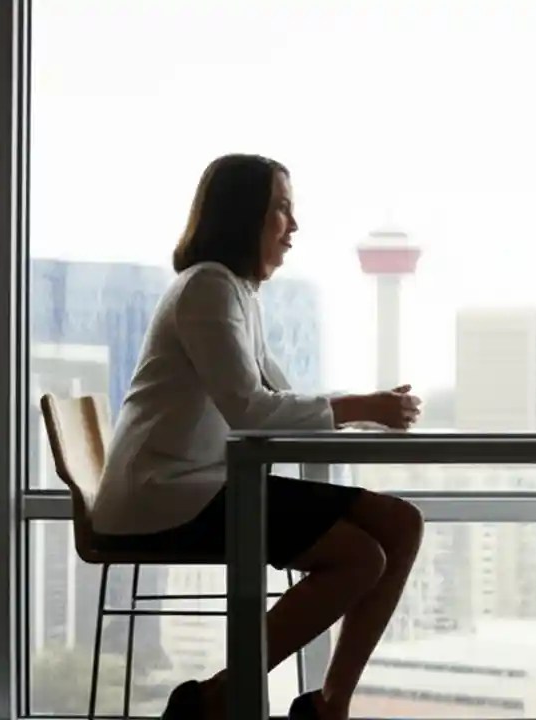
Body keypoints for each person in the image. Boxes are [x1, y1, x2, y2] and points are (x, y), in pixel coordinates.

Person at [92, 153, 425, 720]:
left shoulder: (240, 293)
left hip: (205, 484)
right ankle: (224, 697)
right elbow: (250, 411)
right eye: (281, 210)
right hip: (167, 493)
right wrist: (355, 407)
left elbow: (278, 392)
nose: (292, 227)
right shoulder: (207, 290)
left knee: (401, 524)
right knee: (360, 559)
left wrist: (361, 406)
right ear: (245, 215)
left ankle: (325, 704)